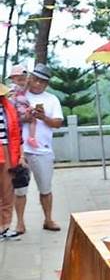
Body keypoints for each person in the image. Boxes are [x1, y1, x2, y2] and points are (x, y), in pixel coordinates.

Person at [14, 63, 63, 233]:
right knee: (20, 189)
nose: (38, 83)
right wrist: (25, 118)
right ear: (30, 79)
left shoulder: (52, 99)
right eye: (35, 79)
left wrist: (43, 117)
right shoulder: (19, 96)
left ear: (46, 84)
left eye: (42, 81)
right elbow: (12, 119)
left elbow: (58, 122)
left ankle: (48, 219)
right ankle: (20, 223)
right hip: (21, 150)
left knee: (45, 188)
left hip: (43, 150)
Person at [0, 84, 23, 238]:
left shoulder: (8, 107)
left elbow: (17, 133)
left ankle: (5, 226)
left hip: (7, 150)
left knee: (8, 190)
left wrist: (20, 155)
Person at [7, 65, 38, 149]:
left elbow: (23, 90)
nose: (22, 82)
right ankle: (31, 138)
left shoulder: (20, 89)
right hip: (17, 110)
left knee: (33, 118)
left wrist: (27, 83)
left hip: (22, 109)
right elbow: (11, 99)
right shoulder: (13, 87)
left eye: (23, 80)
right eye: (19, 80)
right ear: (13, 79)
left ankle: (31, 137)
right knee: (31, 119)